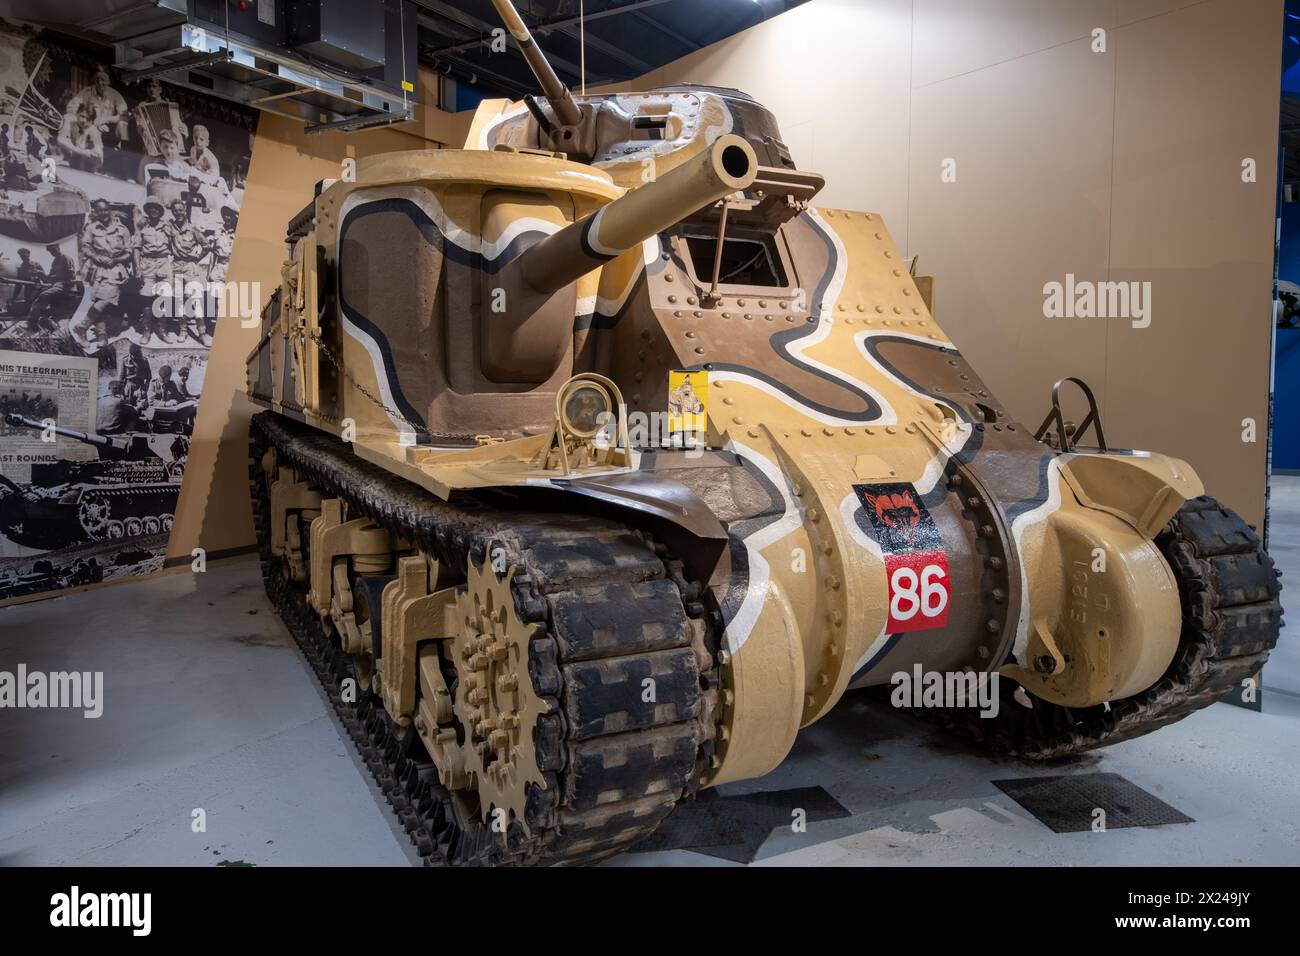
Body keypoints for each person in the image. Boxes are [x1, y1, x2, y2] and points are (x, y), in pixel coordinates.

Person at [65, 67, 129, 149]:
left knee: (123, 124)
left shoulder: (116, 95)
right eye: (97, 79)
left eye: (103, 79)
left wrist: (106, 119)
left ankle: (123, 151)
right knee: (70, 118)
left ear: (109, 81)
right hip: (90, 126)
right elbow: (71, 107)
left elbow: (124, 115)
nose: (99, 82)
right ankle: (76, 147)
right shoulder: (86, 92)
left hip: (110, 129)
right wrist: (82, 121)